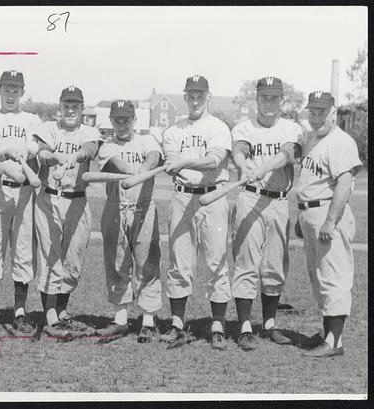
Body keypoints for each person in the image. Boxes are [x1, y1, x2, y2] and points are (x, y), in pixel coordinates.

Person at [229, 76, 303, 350]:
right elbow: (239, 150)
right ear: (256, 99)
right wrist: (244, 165)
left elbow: (287, 154)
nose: (269, 102)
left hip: (279, 201)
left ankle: (270, 325)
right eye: (264, 97)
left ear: (282, 100)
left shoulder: (292, 128)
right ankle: (245, 327)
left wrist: (264, 168)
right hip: (250, 197)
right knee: (246, 260)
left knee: (274, 263)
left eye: (274, 97)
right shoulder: (244, 127)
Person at [160, 75, 232, 350]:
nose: (195, 100)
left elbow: (214, 160)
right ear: (185, 97)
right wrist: (185, 167)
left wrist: (186, 162)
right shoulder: (173, 131)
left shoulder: (219, 128)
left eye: (200, 95)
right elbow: (173, 165)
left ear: (208, 97)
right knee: (179, 262)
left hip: (213, 198)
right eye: (190, 95)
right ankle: (177, 323)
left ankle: (217, 325)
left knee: (216, 263)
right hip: (182, 200)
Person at [291, 91, 361, 358]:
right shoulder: (313, 139)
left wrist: (331, 221)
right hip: (311, 212)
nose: (317, 117)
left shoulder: (340, 141)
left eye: (322, 112)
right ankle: (327, 335)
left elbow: (344, 183)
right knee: (318, 277)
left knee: (333, 277)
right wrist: (302, 217)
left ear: (334, 113)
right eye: (313, 112)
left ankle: (334, 342)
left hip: (328, 212)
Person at [0, 70, 43, 339]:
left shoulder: (32, 119)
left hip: (25, 190)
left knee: (24, 250)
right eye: (7, 89)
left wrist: (24, 152)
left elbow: (34, 146)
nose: (11, 94)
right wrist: (4, 151)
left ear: (22, 92)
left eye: (16, 90)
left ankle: (19, 310)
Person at [33, 86, 102, 339]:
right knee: (51, 257)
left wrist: (76, 156)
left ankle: (61, 310)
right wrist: (53, 158)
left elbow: (90, 149)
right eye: (66, 105)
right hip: (50, 197)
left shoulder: (90, 131)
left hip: (78, 200)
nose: (70, 109)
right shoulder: (49, 127)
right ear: (59, 107)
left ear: (82, 109)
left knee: (74, 261)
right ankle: (50, 315)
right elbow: (42, 151)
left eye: (75, 105)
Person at [94, 99, 163, 344]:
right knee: (116, 262)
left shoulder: (148, 140)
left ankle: (147, 321)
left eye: (126, 119)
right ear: (111, 121)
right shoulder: (106, 146)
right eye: (117, 120)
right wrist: (134, 171)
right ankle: (120, 320)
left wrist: (144, 167)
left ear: (135, 120)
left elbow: (154, 157)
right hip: (116, 206)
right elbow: (117, 163)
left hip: (143, 206)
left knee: (147, 263)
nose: (122, 124)